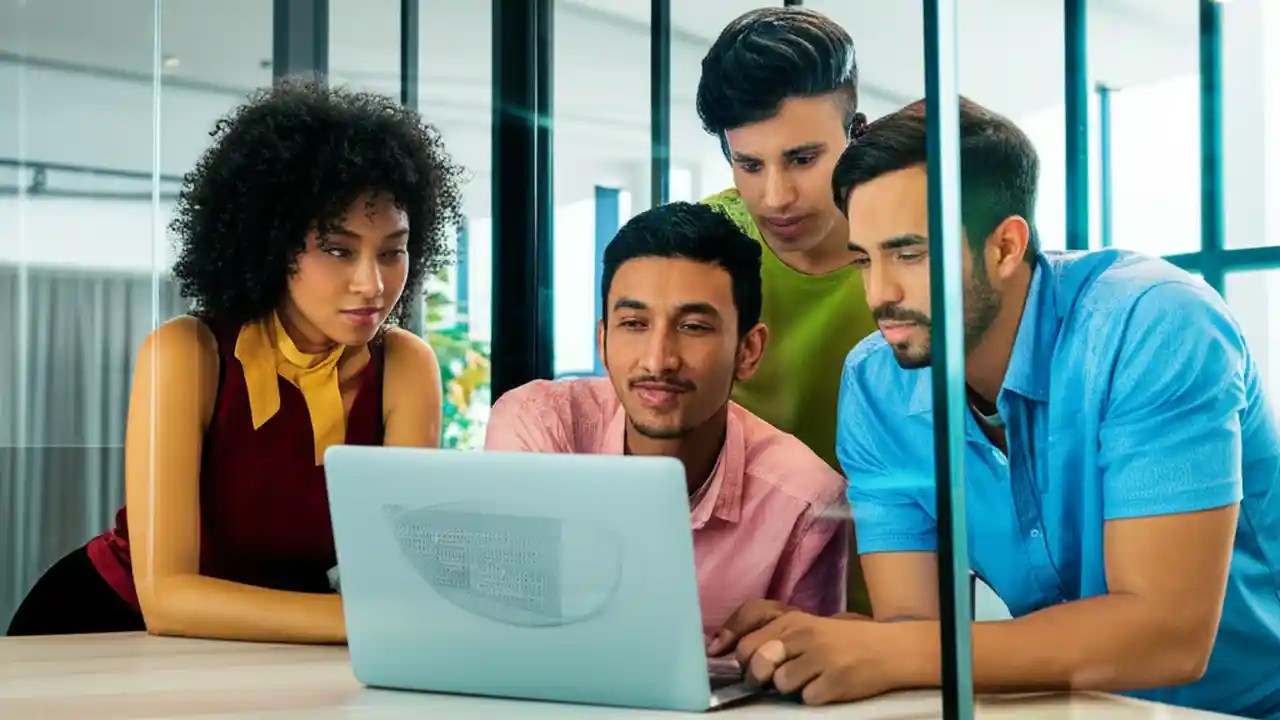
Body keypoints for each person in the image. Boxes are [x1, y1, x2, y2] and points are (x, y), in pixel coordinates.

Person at [709, 98, 1280, 718]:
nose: (880, 294)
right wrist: (815, 641)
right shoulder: (877, 385)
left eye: (909, 254)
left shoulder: (1155, 326)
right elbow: (913, 628)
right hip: (1077, 709)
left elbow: (1165, 636)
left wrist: (894, 648)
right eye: (865, 259)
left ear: (1006, 246)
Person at [6, 80, 464, 642]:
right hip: (107, 628)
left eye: (392, 251)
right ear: (269, 244)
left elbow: (398, 578)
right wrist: (378, 621)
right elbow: (168, 597)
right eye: (338, 250)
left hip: (289, 641)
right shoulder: (187, 353)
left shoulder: (403, 368)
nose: (372, 283)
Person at [485, 201, 850, 640]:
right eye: (634, 323)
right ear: (603, 341)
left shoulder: (805, 501)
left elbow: (805, 676)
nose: (658, 359)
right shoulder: (539, 425)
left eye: (694, 326)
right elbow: (505, 621)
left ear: (748, 351)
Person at [696, 7, 878, 614]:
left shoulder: (913, 251)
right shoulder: (703, 242)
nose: (775, 196)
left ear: (858, 133)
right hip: (725, 601)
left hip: (886, 599)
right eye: (749, 164)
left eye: (802, 159)